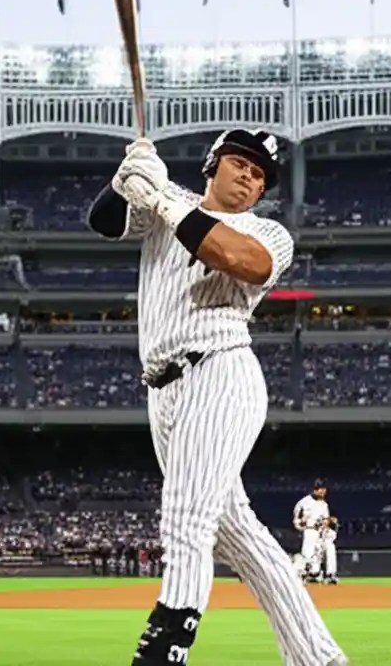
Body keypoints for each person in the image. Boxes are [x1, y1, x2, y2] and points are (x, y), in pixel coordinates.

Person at [85, 130, 348, 666]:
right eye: (242, 163)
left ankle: (163, 651)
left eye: (260, 175)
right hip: (161, 390)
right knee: (239, 538)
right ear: (213, 165)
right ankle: (318, 658)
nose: (251, 177)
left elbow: (237, 258)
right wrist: (127, 176)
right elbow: (105, 220)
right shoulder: (169, 200)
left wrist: (159, 197)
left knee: (185, 519)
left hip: (220, 373)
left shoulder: (268, 232)